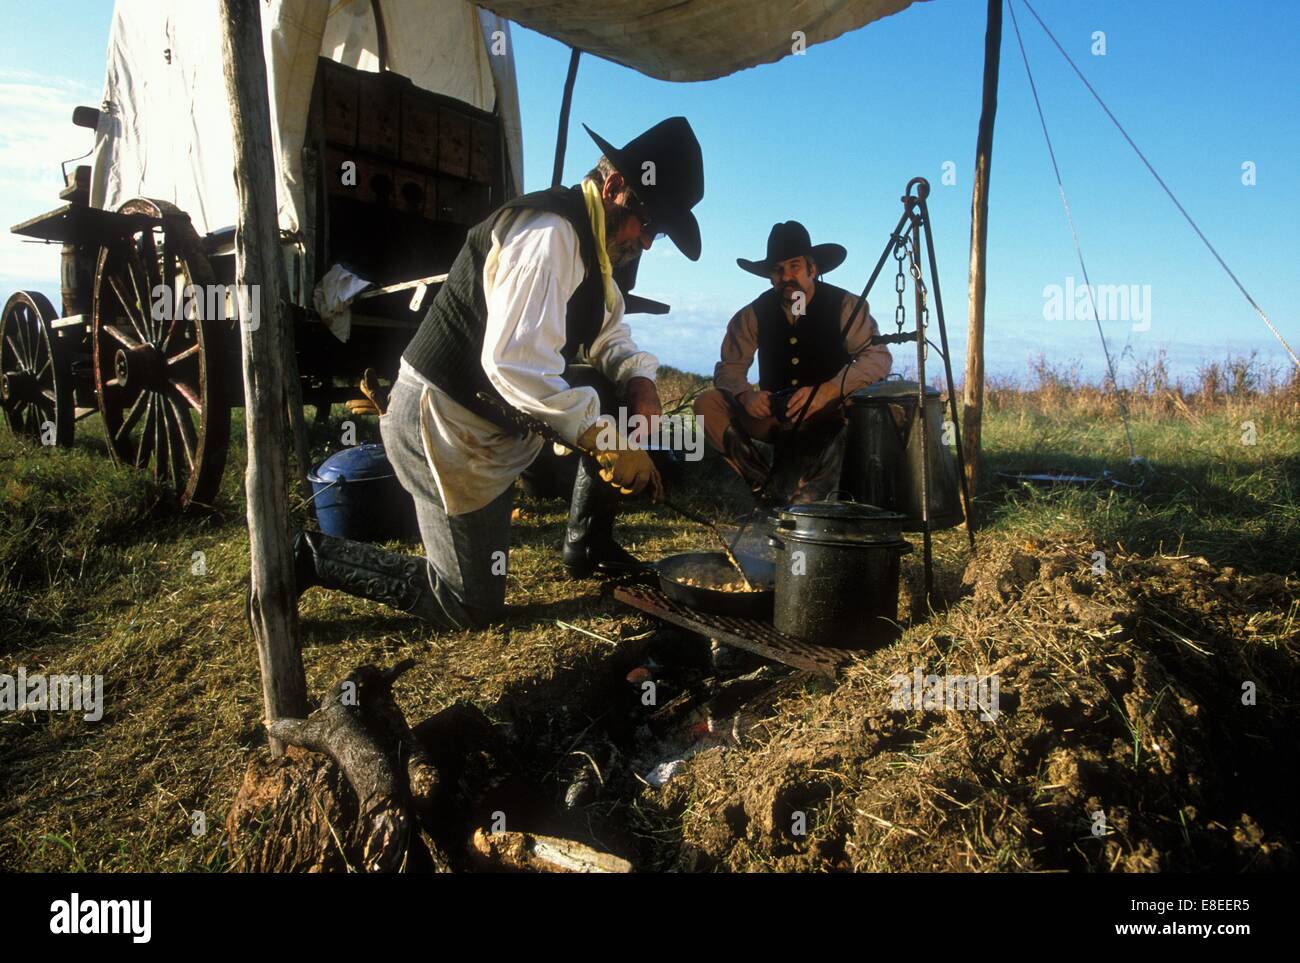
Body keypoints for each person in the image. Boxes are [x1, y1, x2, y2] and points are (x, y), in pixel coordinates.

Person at [291, 117, 706, 629]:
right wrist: (605, 438)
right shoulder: (548, 236)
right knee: (469, 604)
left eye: (657, 233)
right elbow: (514, 362)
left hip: (489, 426)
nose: (647, 242)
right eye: (648, 225)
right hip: (444, 426)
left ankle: (588, 544)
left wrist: (640, 384)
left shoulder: (592, 242)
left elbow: (607, 330)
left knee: (610, 386)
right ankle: (306, 555)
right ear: (616, 185)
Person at [693, 220, 892, 505]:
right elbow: (729, 369)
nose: (787, 276)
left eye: (795, 266)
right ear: (771, 276)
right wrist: (746, 394)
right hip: (776, 414)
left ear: (812, 269)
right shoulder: (753, 314)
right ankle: (766, 486)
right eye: (778, 269)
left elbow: (877, 358)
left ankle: (813, 497)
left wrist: (830, 390)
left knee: (862, 416)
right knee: (707, 404)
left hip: (831, 416)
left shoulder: (846, 305)